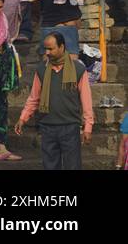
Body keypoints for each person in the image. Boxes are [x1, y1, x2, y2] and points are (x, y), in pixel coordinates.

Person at [15, 32, 94, 170]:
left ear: (62, 47)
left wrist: (88, 126)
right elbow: (34, 98)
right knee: (50, 166)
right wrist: (22, 119)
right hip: (48, 127)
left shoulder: (78, 69)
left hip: (70, 126)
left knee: (73, 166)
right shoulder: (42, 69)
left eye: (51, 49)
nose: (47, 52)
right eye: (46, 49)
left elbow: (86, 100)